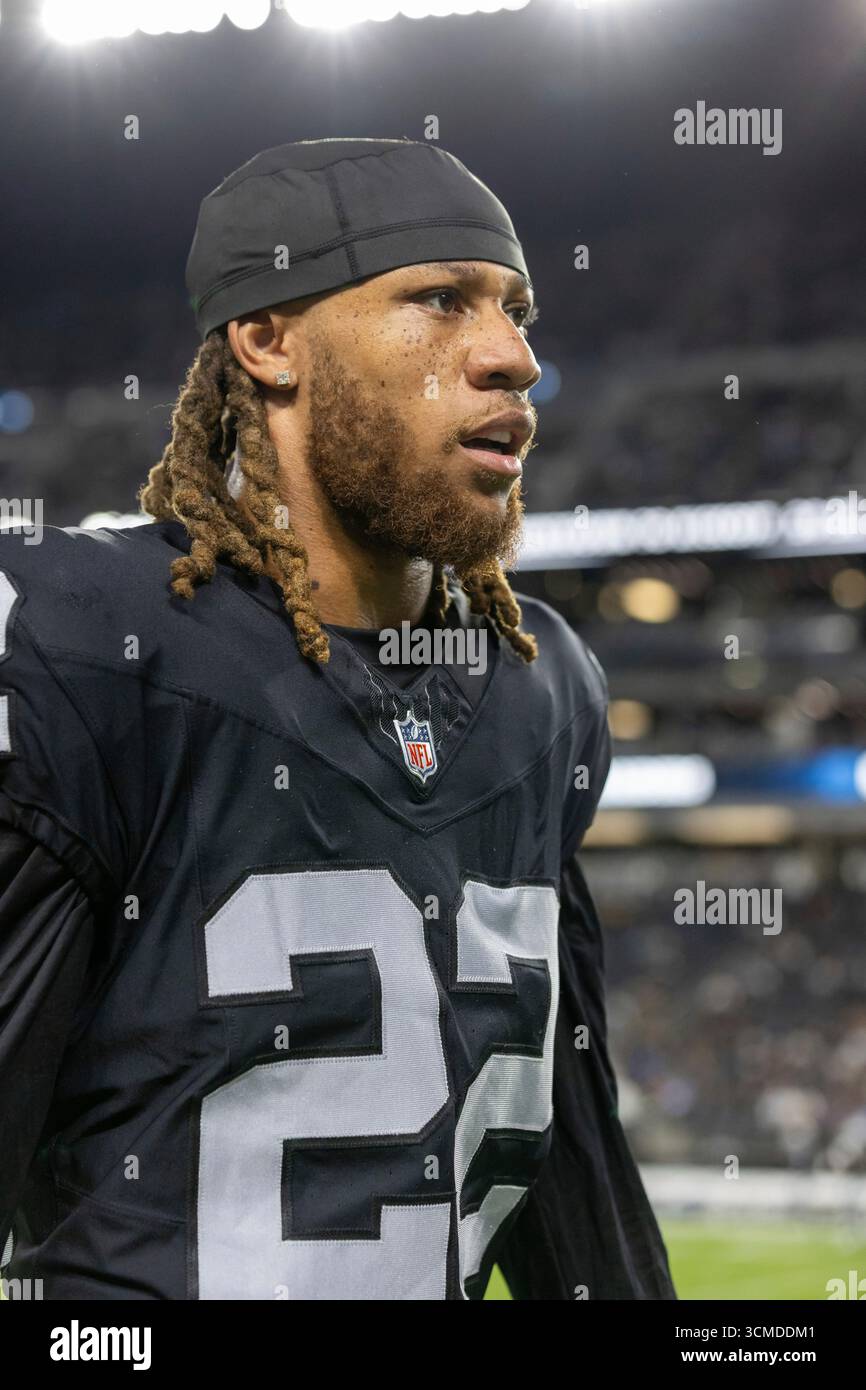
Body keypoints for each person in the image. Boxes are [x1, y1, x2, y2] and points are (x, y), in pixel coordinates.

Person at [0, 138, 674, 1300]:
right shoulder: (86, 645)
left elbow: (566, 1167)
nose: (510, 355)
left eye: (513, 310)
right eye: (437, 300)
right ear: (268, 343)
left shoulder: (541, 689)